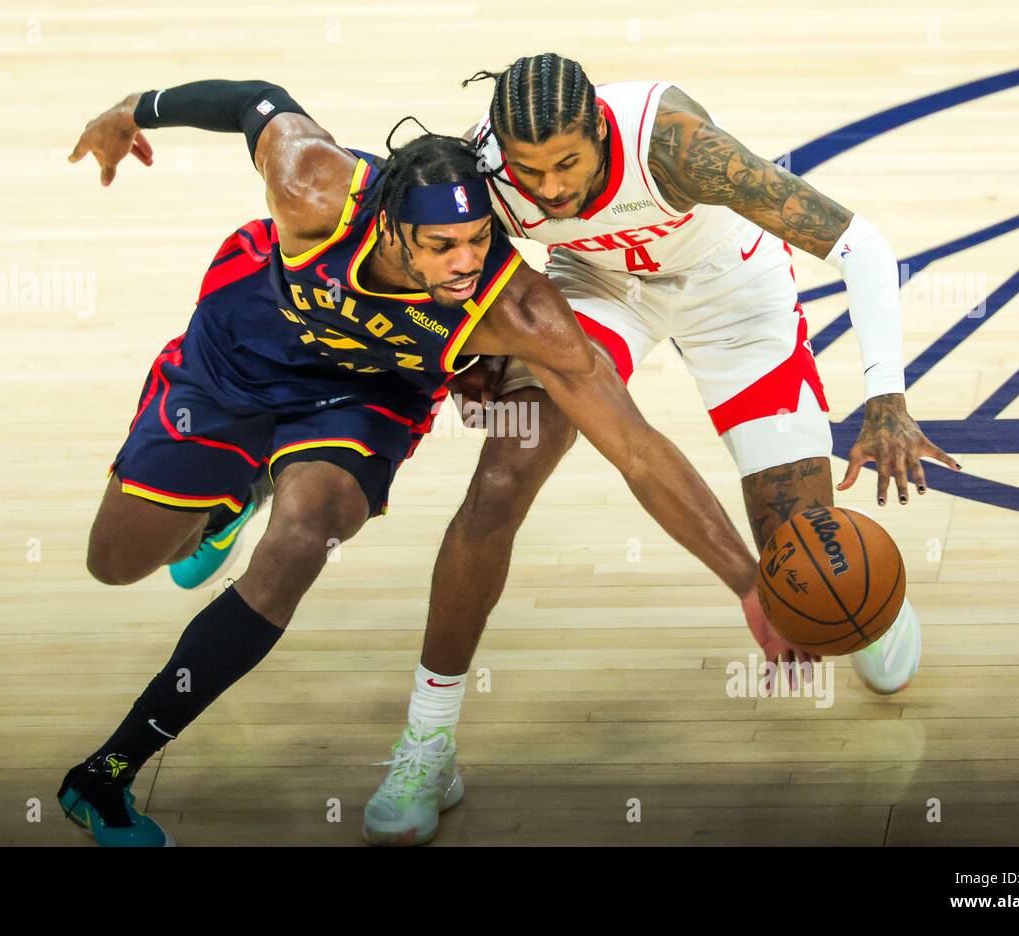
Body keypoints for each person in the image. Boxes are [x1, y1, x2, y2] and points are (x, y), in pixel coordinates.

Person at [60, 78, 778, 846]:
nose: (465, 263)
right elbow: (254, 99)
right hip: (233, 359)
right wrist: (133, 110)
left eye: (478, 242)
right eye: (441, 248)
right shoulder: (313, 187)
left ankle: (104, 775)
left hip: (369, 393)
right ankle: (228, 497)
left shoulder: (519, 309)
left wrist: (746, 579)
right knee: (118, 563)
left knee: (304, 536)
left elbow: (637, 448)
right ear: (393, 232)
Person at [363, 53, 960, 846]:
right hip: (594, 288)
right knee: (502, 479)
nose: (547, 189)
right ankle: (427, 742)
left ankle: (859, 590)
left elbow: (863, 246)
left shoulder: (673, 144)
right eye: (529, 169)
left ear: (600, 134)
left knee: (809, 570)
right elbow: (419, 252)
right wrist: (462, 356)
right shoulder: (484, 169)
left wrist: (885, 393)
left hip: (733, 291)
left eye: (567, 164)